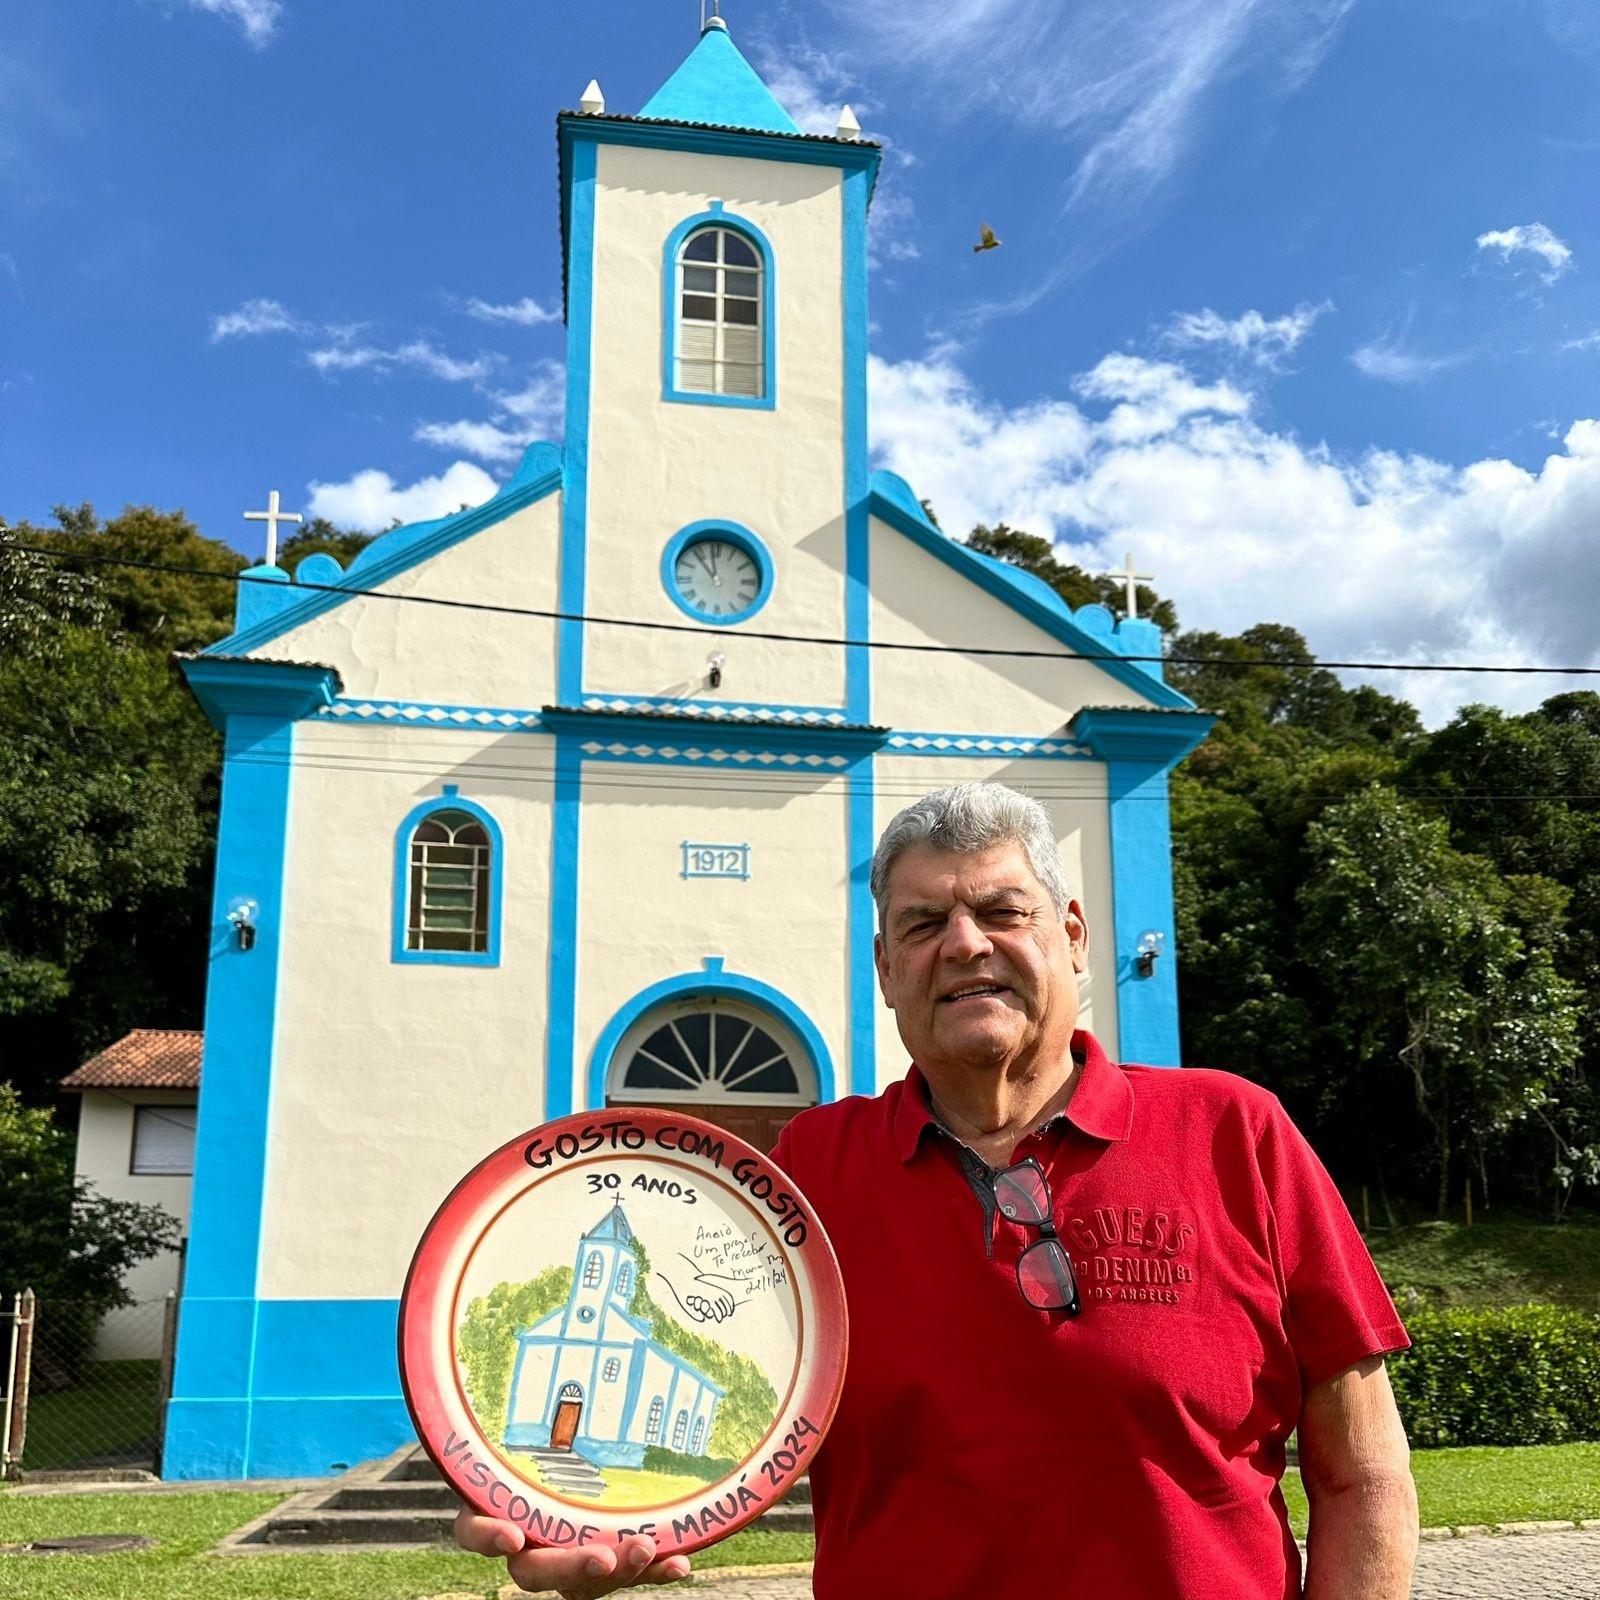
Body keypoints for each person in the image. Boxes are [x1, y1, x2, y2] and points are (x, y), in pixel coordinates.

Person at [457, 782, 1418, 1598]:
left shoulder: (1232, 1131)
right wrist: (593, 1515)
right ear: (885, 970)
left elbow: (1363, 1474)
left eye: (1003, 912)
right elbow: (703, 1383)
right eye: (922, 925)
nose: (964, 945)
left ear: (1073, 936)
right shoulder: (804, 1174)